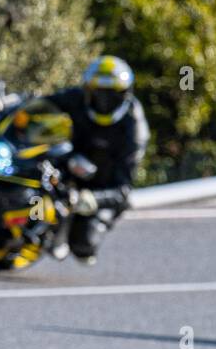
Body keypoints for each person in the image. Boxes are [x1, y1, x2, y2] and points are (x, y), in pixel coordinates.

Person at [44, 56, 149, 264]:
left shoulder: (134, 131)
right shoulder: (76, 98)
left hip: (102, 187)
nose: (103, 102)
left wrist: (94, 199)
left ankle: (73, 232)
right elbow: (39, 102)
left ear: (124, 94)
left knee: (84, 246)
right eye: (98, 94)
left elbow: (123, 191)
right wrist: (4, 103)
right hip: (70, 164)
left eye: (110, 96)